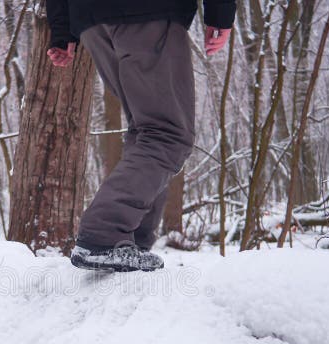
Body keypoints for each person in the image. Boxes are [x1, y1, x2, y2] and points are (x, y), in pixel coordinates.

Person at [46, 0, 236, 272]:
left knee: (148, 127)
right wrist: (220, 13)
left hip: (90, 18)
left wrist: (62, 28)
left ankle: (130, 238)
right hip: (148, 11)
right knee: (167, 132)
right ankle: (105, 233)